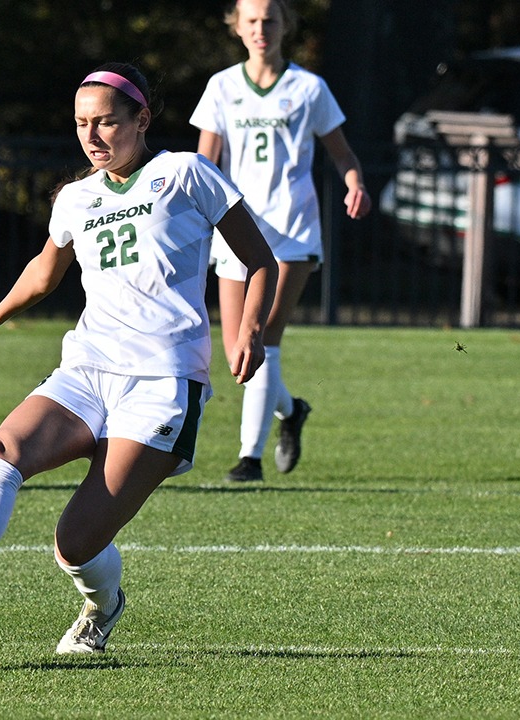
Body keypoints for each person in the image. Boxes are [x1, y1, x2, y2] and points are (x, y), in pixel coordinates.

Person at [0, 62, 277, 654]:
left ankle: (103, 606)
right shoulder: (77, 198)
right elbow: (45, 269)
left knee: (74, 544)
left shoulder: (185, 173)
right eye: (82, 123)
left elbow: (259, 258)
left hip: (163, 381)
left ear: (142, 119)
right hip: (87, 367)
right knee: (4, 451)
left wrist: (251, 328)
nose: (92, 135)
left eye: (106, 121)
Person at [190, 0, 371, 482]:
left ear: (285, 25)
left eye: (269, 19)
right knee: (238, 354)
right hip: (237, 229)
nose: (260, 28)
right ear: (237, 27)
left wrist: (354, 182)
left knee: (263, 339)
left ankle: (249, 460)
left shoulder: (309, 88)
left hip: (292, 229)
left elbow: (342, 153)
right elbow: (204, 164)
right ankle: (292, 410)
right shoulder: (222, 86)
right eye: (251, 20)